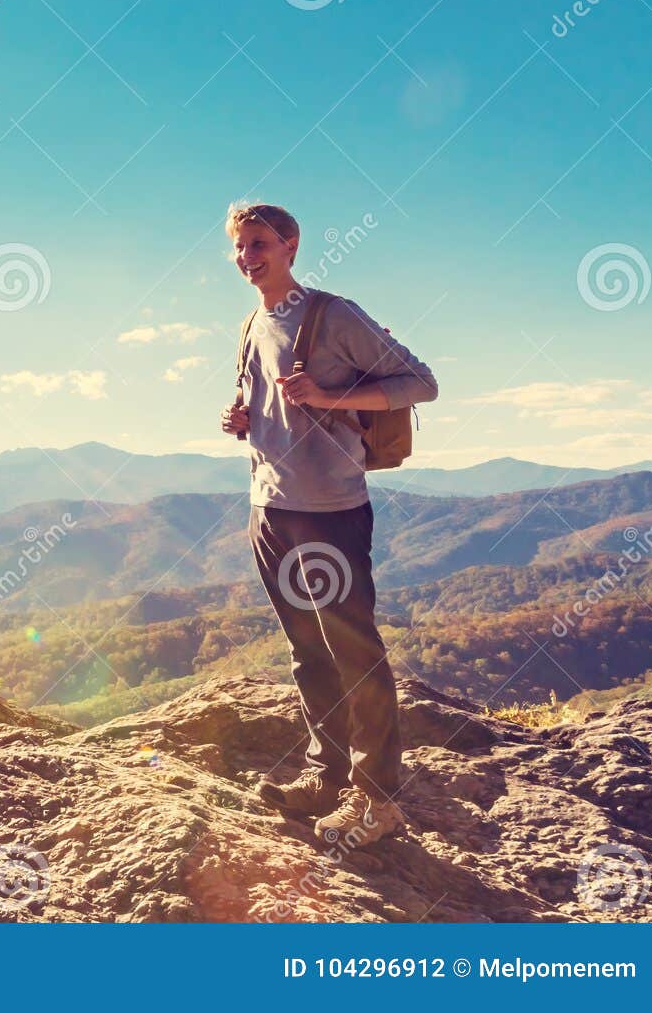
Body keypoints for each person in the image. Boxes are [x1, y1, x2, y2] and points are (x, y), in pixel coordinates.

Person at [219, 201, 438, 847]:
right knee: (306, 653)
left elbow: (420, 383)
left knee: (356, 657)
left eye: (258, 244)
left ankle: (377, 802)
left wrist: (333, 397)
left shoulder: (334, 315)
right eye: (239, 248)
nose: (246, 257)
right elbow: (263, 407)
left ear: (290, 244)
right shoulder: (250, 324)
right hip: (269, 510)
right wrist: (242, 420)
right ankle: (326, 778)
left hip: (331, 513)